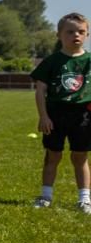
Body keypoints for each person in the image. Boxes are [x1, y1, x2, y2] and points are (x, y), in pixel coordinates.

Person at [30, 13, 91, 212]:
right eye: (70, 31)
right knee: (52, 155)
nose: (76, 35)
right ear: (59, 35)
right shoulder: (51, 61)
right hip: (55, 114)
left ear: (87, 34)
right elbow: (40, 90)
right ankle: (45, 196)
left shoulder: (90, 61)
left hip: (83, 115)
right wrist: (43, 116)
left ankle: (84, 199)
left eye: (81, 31)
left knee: (80, 156)